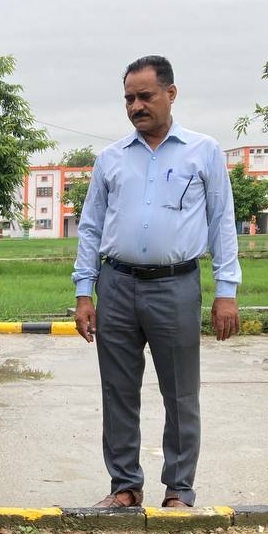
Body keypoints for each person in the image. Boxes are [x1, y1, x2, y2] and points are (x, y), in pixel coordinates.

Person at [73, 55, 241, 509]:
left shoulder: (202, 151)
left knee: (181, 393)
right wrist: (83, 292)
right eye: (129, 98)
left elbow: (222, 222)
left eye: (145, 96)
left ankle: (179, 489)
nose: (136, 106)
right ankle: (125, 485)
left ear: (171, 93)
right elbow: (90, 228)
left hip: (176, 286)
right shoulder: (111, 159)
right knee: (118, 391)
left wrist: (226, 291)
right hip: (117, 284)